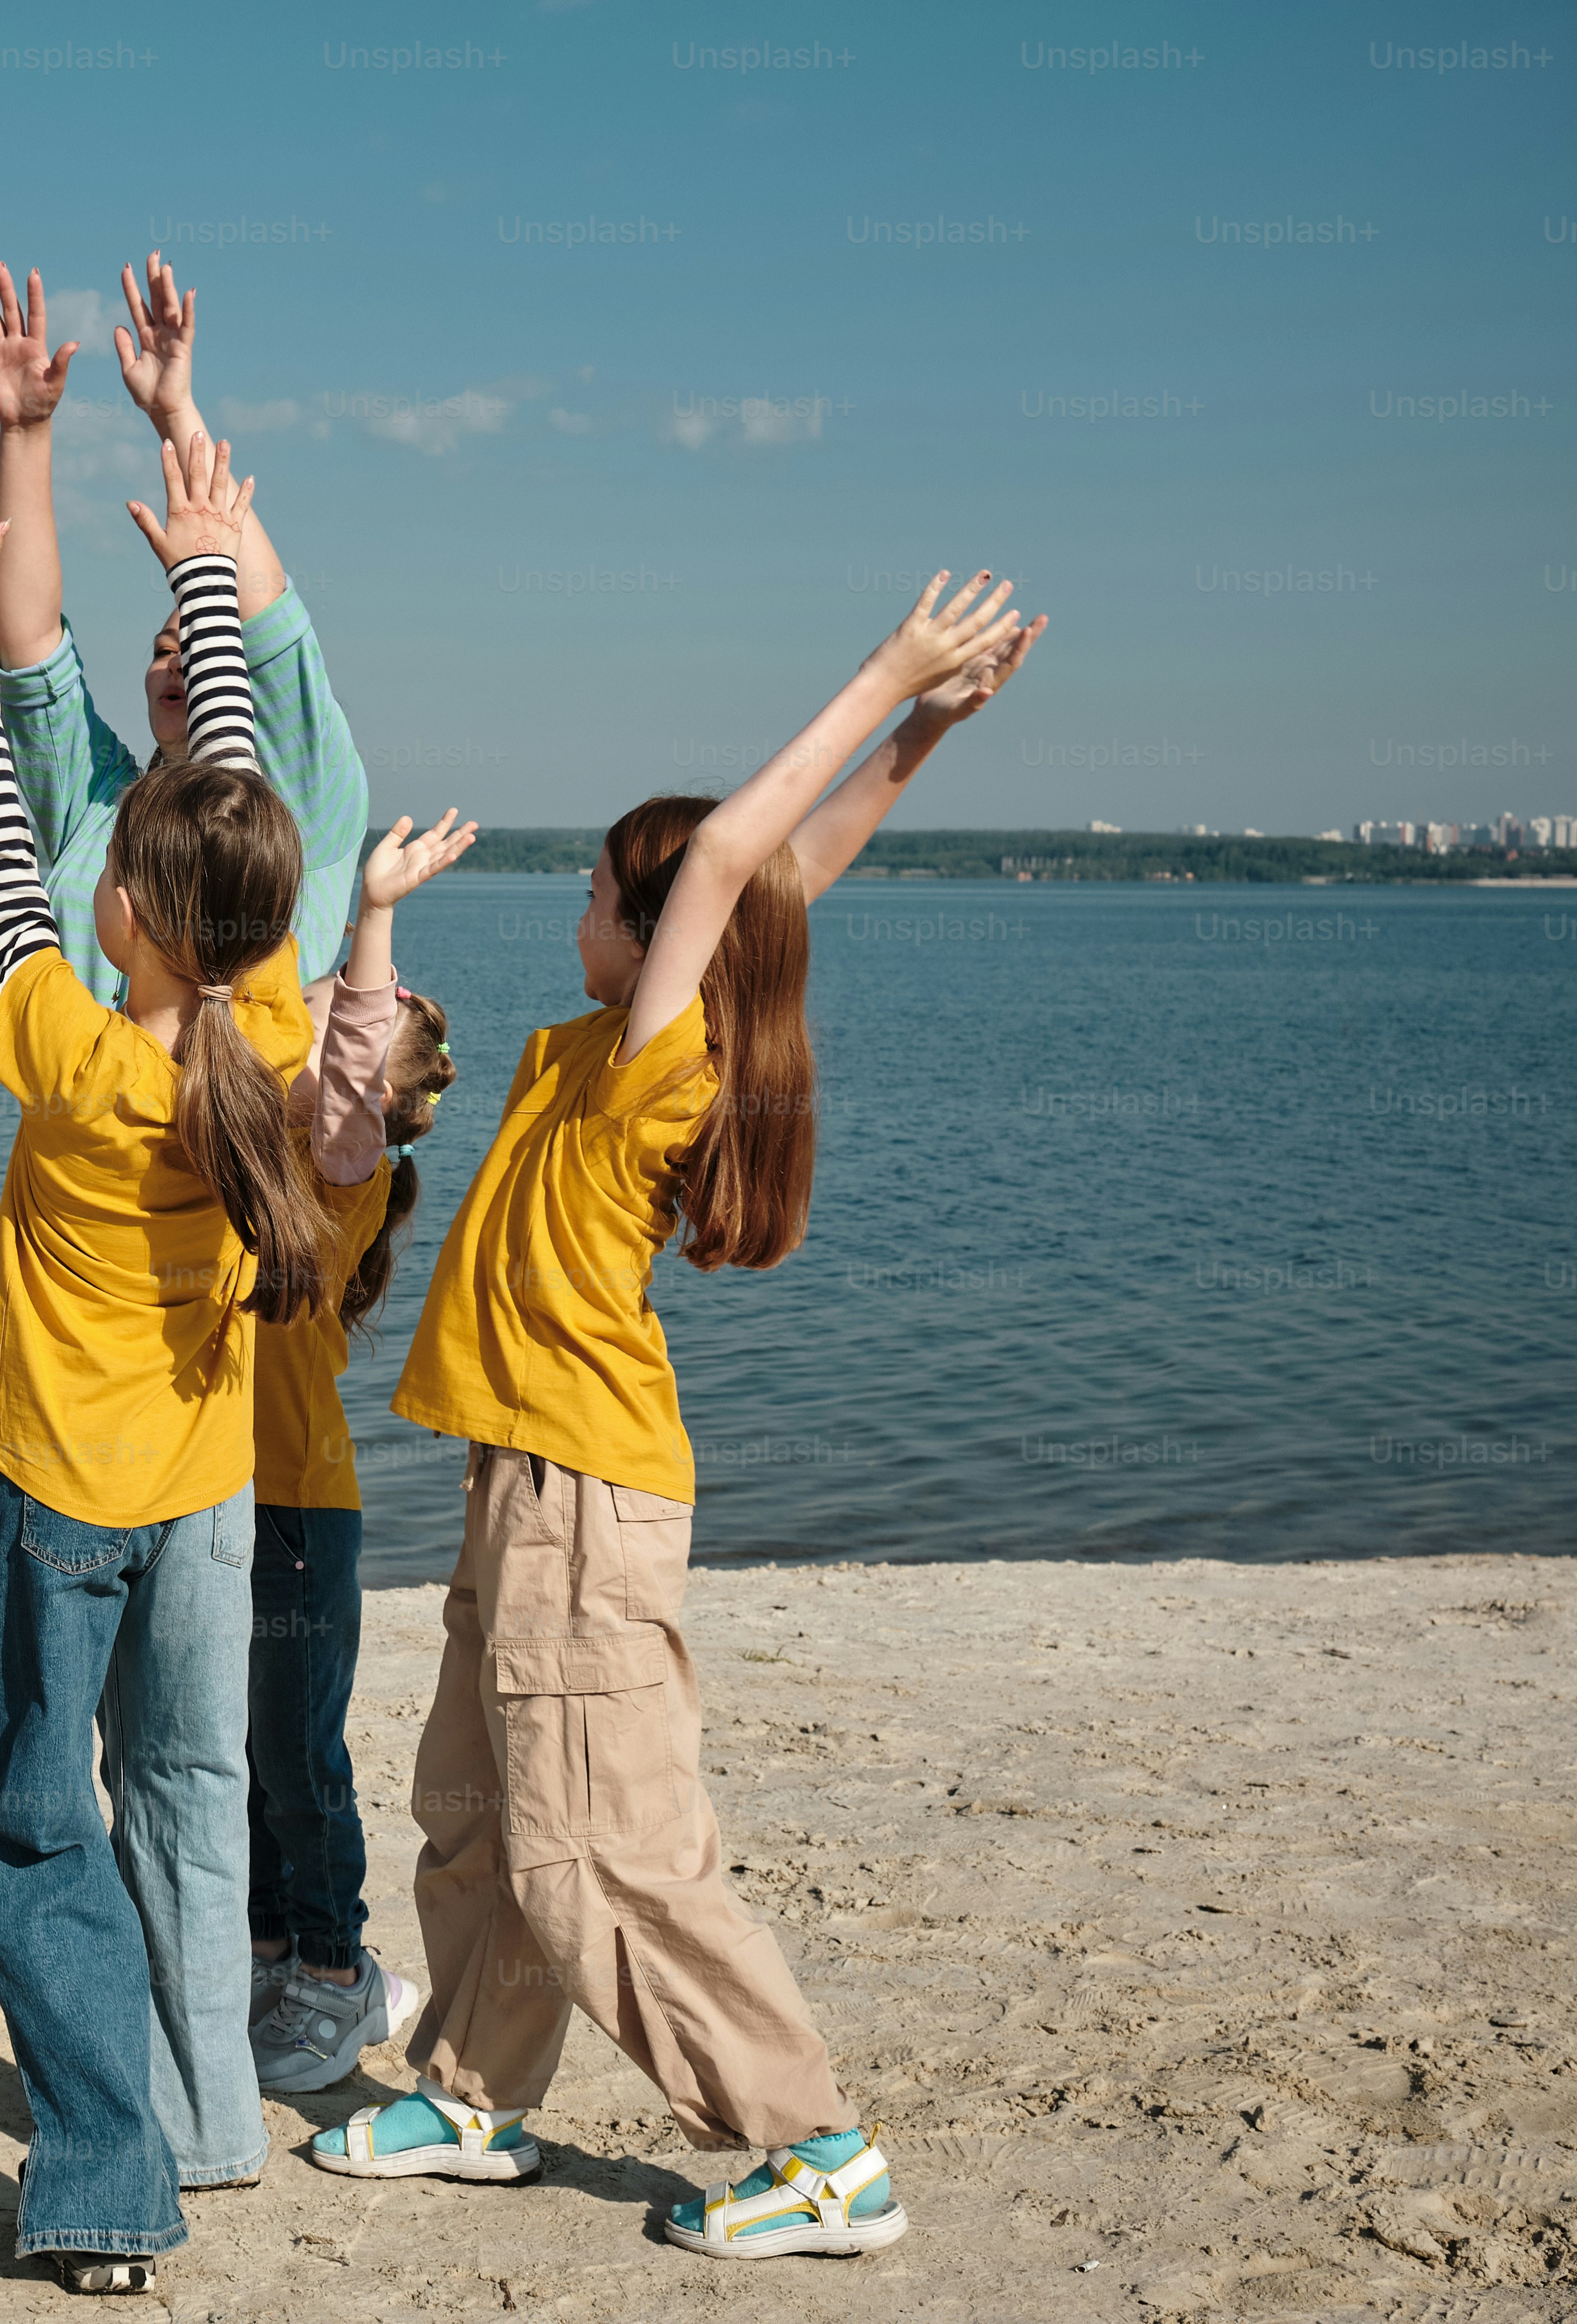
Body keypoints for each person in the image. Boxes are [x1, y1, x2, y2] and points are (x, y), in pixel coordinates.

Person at [311, 575, 1045, 2269]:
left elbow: (730, 869)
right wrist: (924, 739)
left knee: (603, 1856)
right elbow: (786, 877)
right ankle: (477, 2095)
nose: (577, 912)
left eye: (594, 896)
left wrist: (883, 669)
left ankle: (810, 2148)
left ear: (655, 941)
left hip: (587, 1493)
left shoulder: (665, 1060)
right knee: (482, 1811)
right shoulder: (588, 1048)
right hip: (524, 1479)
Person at [0, 432, 469, 2296]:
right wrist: (213, 573)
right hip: (213, 1503)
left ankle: (110, 2163)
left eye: (111, 895)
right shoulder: (292, 1037)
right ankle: (217, 2118)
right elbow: (233, 789)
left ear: (125, 917)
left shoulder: (77, 1050)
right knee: (190, 1792)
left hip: (62, 1496)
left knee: (32, 1819)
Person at [0, 255, 369, 1025]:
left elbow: (266, 620)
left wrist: (177, 415)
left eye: (196, 642)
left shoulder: (308, 795)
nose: (176, 660)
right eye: (158, 648)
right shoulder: (101, 801)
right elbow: (28, 650)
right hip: (85, 1138)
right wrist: (25, 431)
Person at [243, 957, 463, 2092]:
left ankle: (341, 1973)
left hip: (296, 1502)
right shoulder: (268, 1138)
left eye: (333, 1017)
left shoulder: (343, 1166)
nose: (301, 1018)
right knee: (244, 1750)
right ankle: (268, 1950)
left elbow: (334, 1104)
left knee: (297, 1757)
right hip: (228, 1492)